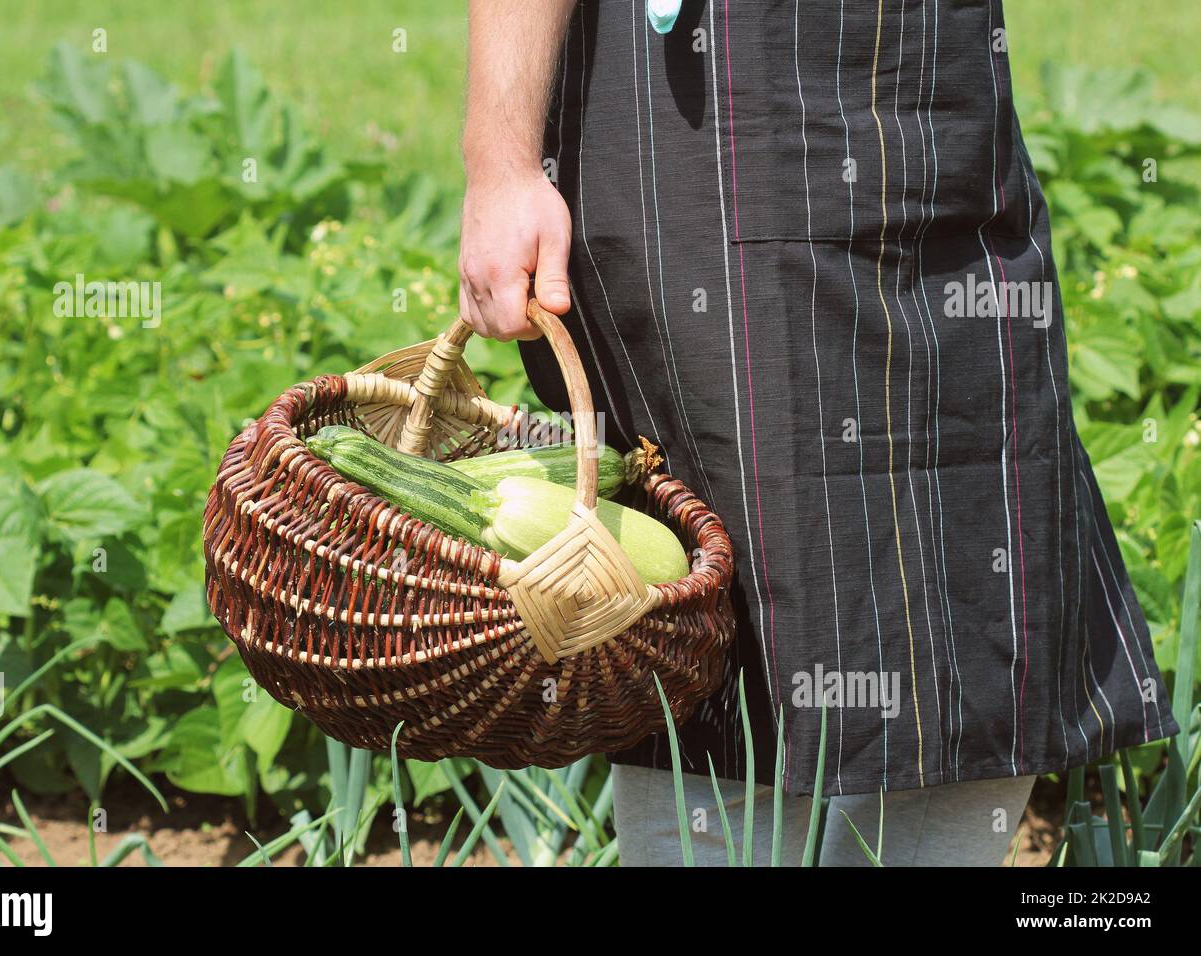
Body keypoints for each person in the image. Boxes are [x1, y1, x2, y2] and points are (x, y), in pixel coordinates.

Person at [458, 0, 1178, 866]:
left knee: (971, 602)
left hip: (924, 90)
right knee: (709, 623)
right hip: (700, 114)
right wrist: (499, 164)